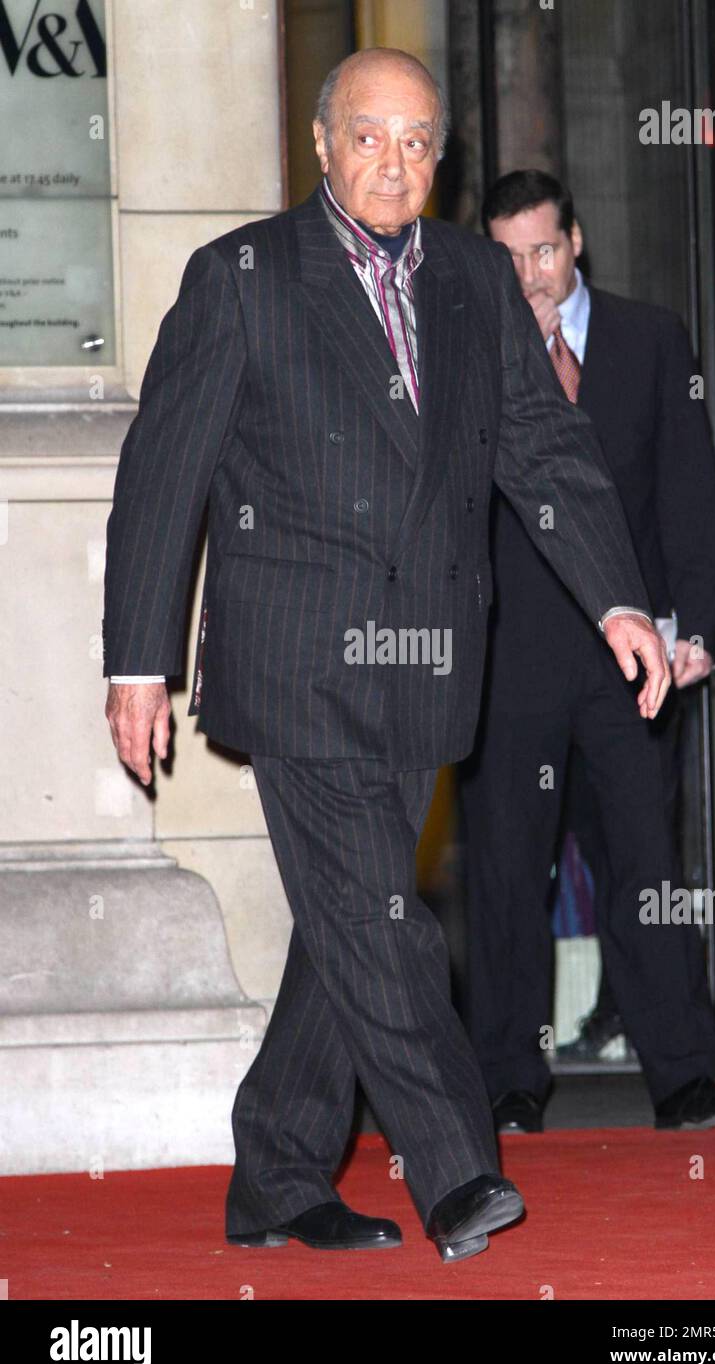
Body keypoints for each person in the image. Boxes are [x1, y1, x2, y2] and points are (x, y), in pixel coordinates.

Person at [102, 52, 671, 1264]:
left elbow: (543, 449)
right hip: (293, 659)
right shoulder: (243, 277)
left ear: (441, 158)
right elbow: (164, 476)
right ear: (321, 144)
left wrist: (620, 598)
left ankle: (276, 1168)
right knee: (379, 913)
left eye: (419, 143)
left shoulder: (474, 277)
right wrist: (136, 660)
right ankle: (459, 1169)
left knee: (346, 925)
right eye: (371, 137)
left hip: (426, 666)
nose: (395, 163)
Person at [458, 169, 715, 1135]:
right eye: (505, 258)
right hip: (507, 665)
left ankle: (683, 1077)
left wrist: (699, 629)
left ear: (576, 240)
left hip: (631, 664)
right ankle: (510, 1081)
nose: (528, 276)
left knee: (646, 866)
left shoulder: (648, 340)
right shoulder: (468, 353)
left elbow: (689, 499)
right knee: (507, 874)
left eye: (542, 251)